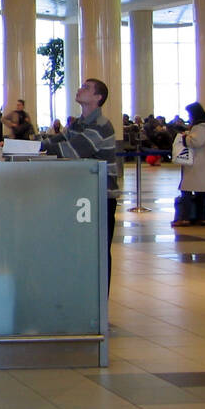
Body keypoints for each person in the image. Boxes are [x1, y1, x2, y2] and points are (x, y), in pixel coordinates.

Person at [42, 78, 119, 290]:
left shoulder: (102, 126)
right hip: (83, 194)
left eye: (86, 87)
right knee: (81, 249)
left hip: (102, 196)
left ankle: (100, 306)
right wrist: (27, 146)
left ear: (98, 97)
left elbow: (73, 150)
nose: (80, 89)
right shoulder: (77, 123)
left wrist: (36, 149)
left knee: (100, 251)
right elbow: (55, 142)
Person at [172, 102, 205, 227]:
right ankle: (202, 217)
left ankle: (185, 217)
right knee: (201, 192)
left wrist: (185, 138)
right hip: (203, 164)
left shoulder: (199, 128)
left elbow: (196, 142)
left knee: (186, 190)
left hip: (196, 165)